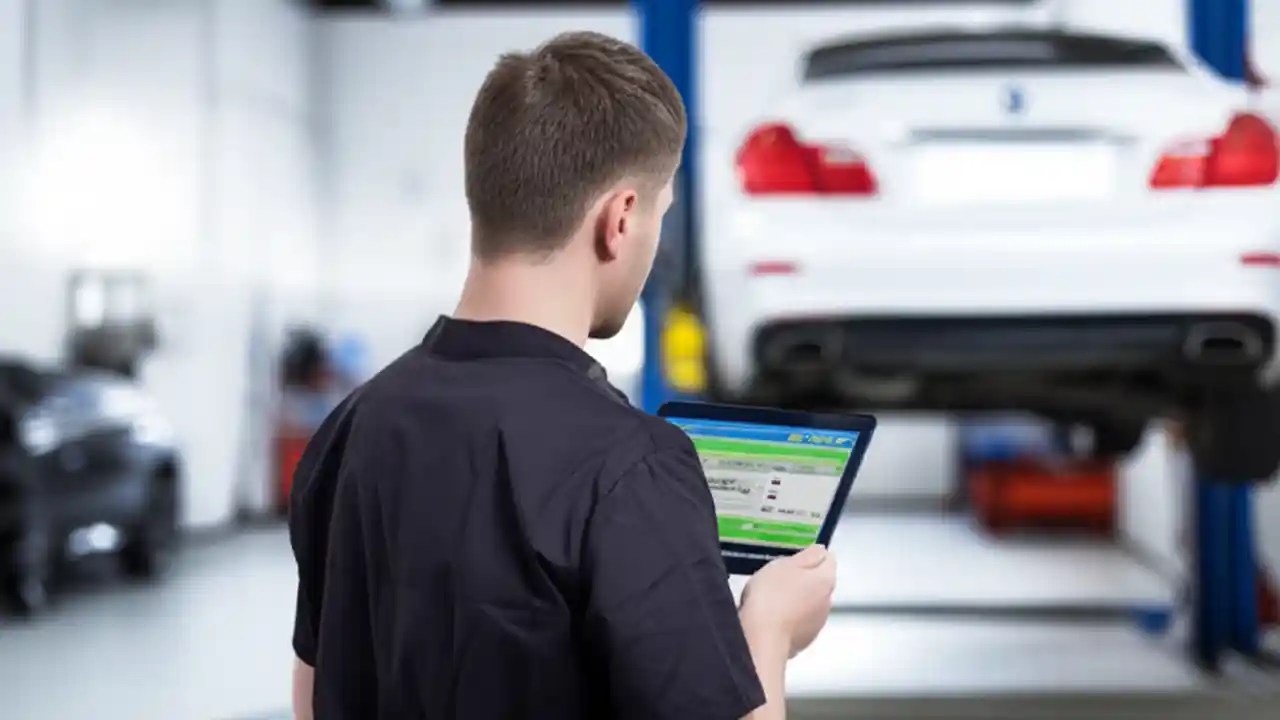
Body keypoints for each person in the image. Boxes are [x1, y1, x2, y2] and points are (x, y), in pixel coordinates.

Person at [289, 30, 837, 720]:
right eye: (659, 216)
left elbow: (311, 698)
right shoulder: (631, 467)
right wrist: (769, 626)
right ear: (621, 219)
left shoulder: (351, 428)